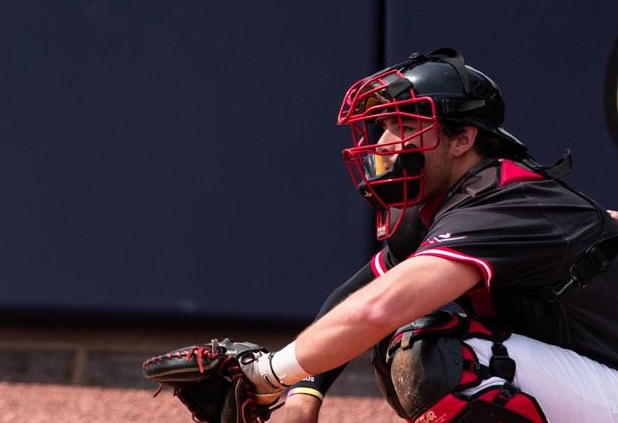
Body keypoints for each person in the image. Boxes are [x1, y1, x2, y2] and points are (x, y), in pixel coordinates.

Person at [207, 49, 618, 422]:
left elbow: (378, 308)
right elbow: (356, 296)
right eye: (385, 126)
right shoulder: (443, 202)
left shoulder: (502, 201)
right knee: (403, 344)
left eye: (404, 125)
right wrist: (303, 393)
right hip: (596, 374)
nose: (385, 144)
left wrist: (267, 373)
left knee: (431, 349)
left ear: (463, 139)